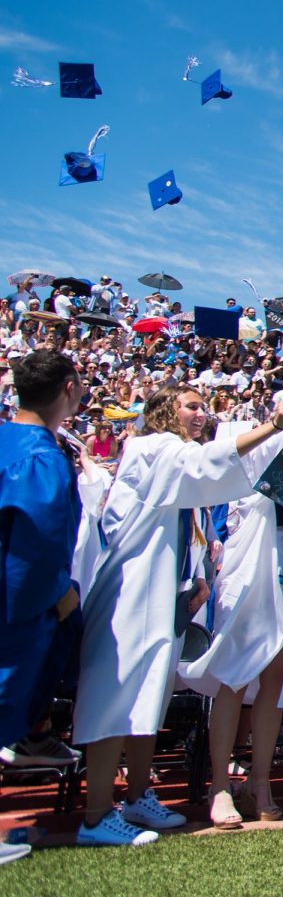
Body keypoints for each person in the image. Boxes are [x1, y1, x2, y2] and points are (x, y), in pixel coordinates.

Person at [74, 385, 283, 847]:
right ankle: (97, 814)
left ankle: (138, 795)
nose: (201, 415)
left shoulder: (175, 457)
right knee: (114, 700)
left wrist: (196, 575)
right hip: (129, 593)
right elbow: (207, 468)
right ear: (164, 409)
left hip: (164, 595)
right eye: (191, 407)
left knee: (149, 698)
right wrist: (273, 426)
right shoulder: (151, 448)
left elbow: (196, 509)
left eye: (203, 408)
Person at [180, 410, 283, 828]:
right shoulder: (241, 478)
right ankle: (220, 784)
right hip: (247, 580)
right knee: (234, 677)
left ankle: (259, 782)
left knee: (276, 680)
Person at [0, 352, 85, 865]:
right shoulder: (40, 456)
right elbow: (34, 545)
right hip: (14, 606)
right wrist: (57, 599)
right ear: (70, 388)